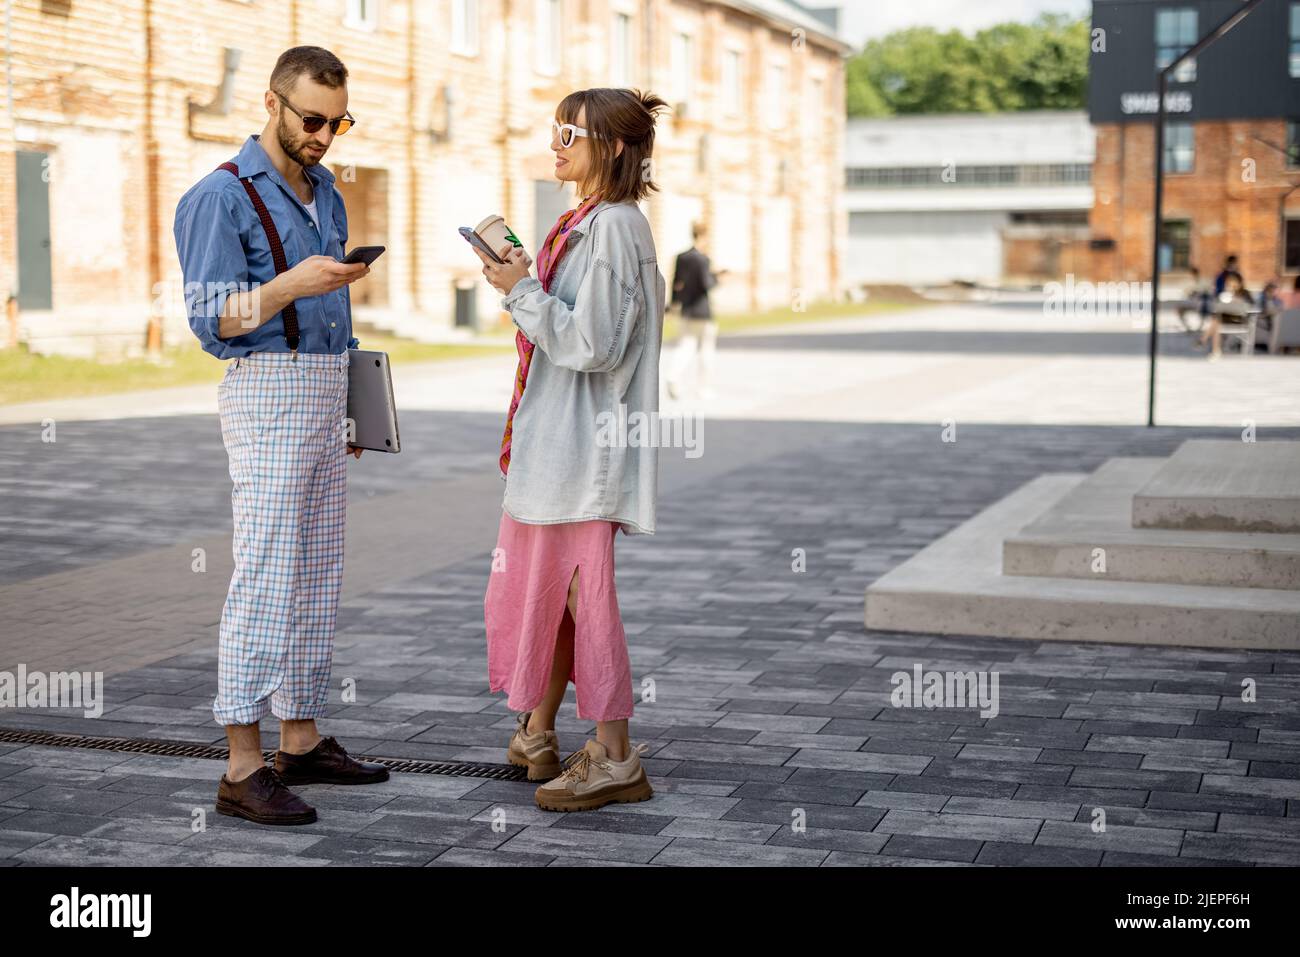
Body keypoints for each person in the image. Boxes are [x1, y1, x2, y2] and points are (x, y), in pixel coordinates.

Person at [173, 46, 389, 827]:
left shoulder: (325, 188)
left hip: (325, 389)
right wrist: (292, 282)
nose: (325, 136)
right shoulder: (218, 198)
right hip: (265, 392)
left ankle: (299, 737)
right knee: (264, 574)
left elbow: (335, 311)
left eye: (338, 122)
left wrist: (357, 402)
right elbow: (212, 320)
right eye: (312, 119)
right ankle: (241, 763)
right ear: (271, 103)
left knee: (316, 571)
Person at [473, 87, 668, 813]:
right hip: (555, 445)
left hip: (586, 452)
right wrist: (523, 281)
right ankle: (538, 731)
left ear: (612, 147)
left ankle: (616, 754)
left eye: (571, 133)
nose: (556, 144)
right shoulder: (582, 220)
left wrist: (522, 289)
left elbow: (592, 344)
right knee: (547, 597)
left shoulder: (616, 226)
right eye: (555, 130)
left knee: (585, 600)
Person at [665, 222, 725, 400]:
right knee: (706, 350)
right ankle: (704, 388)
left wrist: (673, 305)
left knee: (686, 346)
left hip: (687, 309)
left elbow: (676, 284)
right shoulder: (703, 259)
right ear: (703, 236)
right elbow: (707, 284)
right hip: (703, 311)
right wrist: (718, 277)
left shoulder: (681, 257)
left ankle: (673, 376)